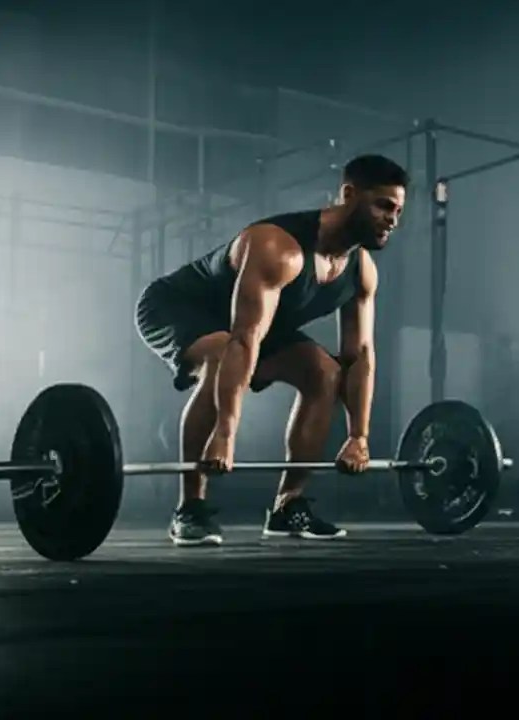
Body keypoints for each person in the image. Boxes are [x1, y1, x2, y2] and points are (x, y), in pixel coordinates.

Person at [135, 154, 407, 547]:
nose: (392, 219)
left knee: (325, 373)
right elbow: (243, 339)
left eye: (398, 210)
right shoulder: (278, 247)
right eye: (383, 205)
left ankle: (287, 505)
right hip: (178, 307)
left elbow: (360, 355)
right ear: (349, 195)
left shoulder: (361, 271)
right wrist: (226, 431)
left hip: (256, 325)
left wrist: (359, 436)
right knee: (220, 355)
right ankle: (190, 507)